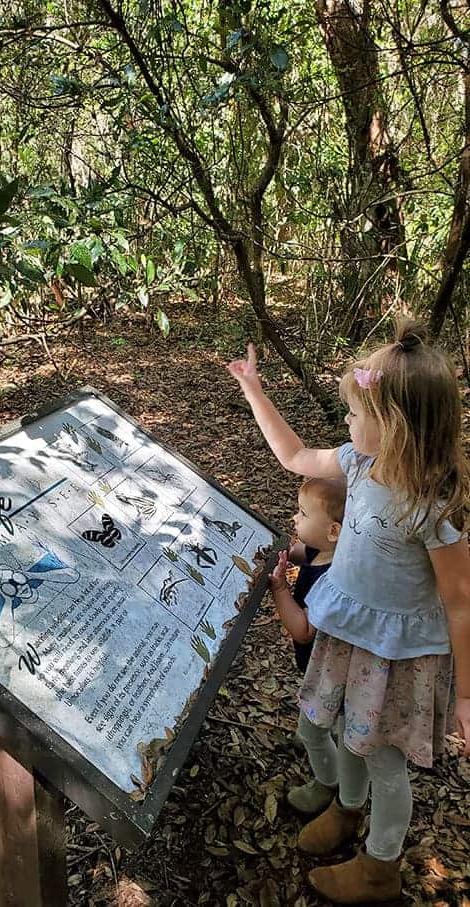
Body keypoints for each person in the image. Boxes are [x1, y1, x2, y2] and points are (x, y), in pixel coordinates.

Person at [227, 320, 470, 904]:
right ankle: (347, 807)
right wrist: (254, 390)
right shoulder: (359, 464)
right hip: (348, 634)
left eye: (356, 413)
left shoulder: (431, 507)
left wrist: (467, 695)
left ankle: (380, 867)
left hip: (396, 655)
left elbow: (461, 602)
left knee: (383, 760)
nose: (347, 421)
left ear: (397, 426)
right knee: (340, 728)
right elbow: (294, 456)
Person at [268, 476, 346, 815]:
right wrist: (278, 552)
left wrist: (280, 590)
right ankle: (330, 735)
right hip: (321, 668)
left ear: (333, 530)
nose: (294, 518)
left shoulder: (333, 577)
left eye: (303, 513)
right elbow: (296, 552)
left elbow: (303, 630)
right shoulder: (320, 550)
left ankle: (328, 783)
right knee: (333, 722)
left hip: (331, 673)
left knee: (313, 731)